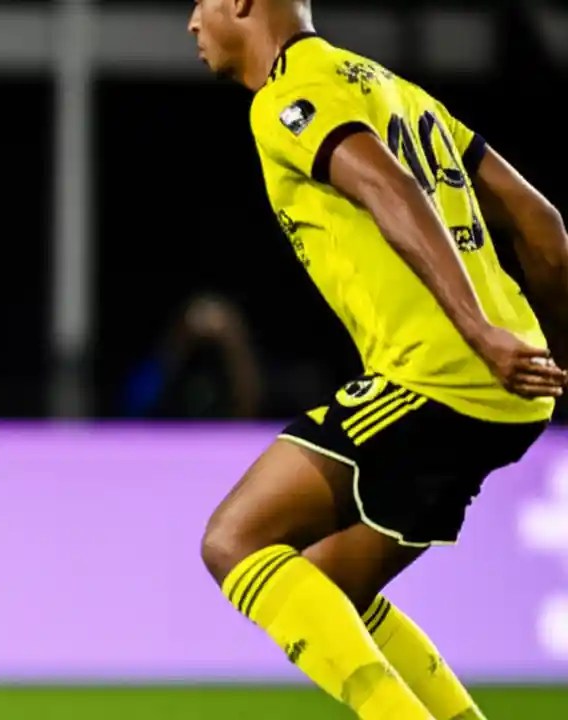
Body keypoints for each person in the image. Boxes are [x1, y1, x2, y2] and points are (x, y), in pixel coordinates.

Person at [188, 1, 568, 718]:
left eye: (200, 3)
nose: (191, 24)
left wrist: (478, 331)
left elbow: (384, 185)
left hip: (441, 371)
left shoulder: (287, 96)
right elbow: (543, 227)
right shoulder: (401, 93)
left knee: (233, 540)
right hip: (506, 389)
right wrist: (550, 360)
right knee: (326, 588)